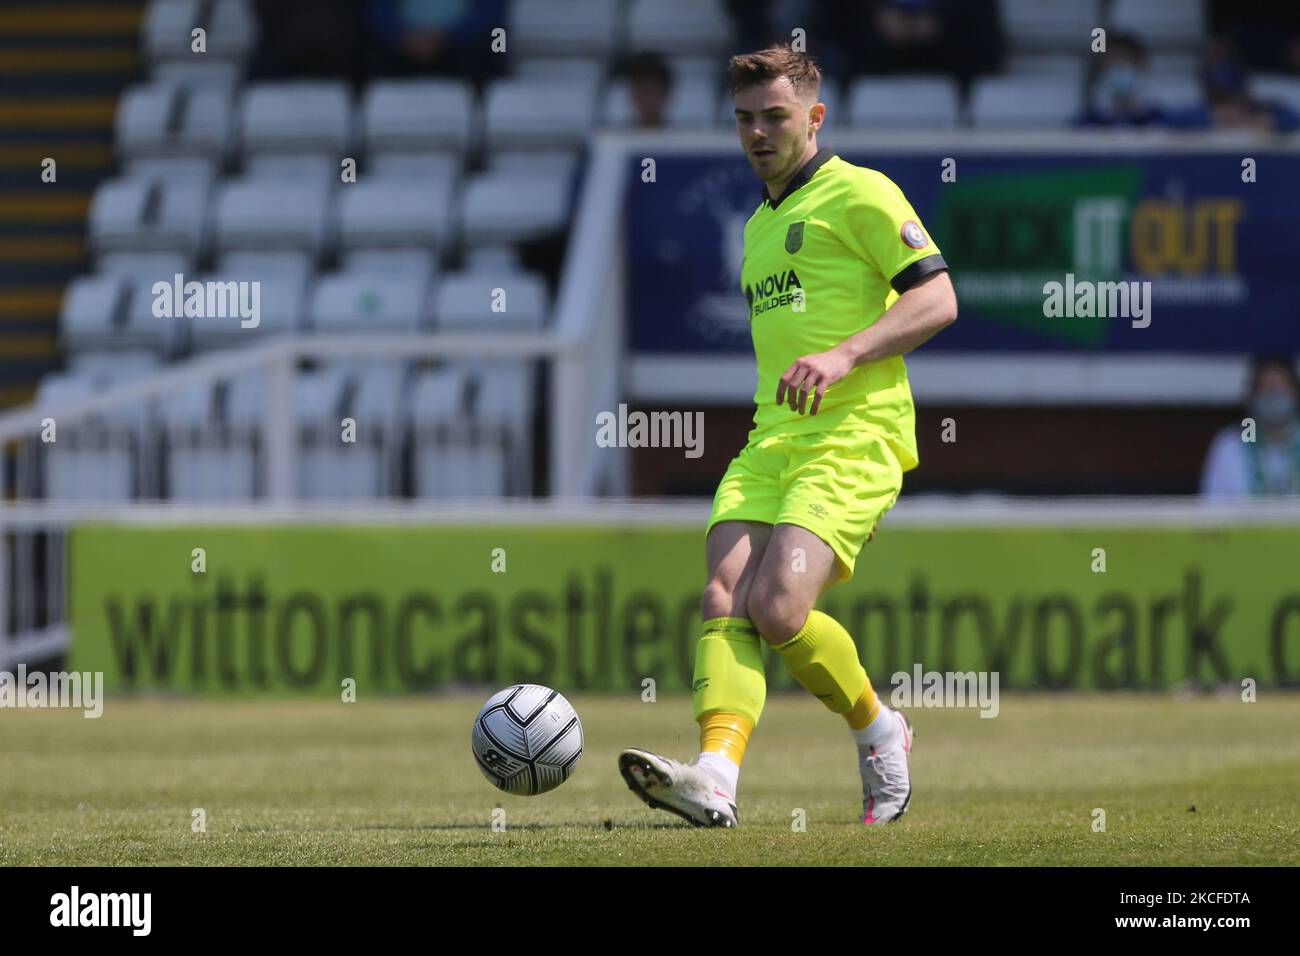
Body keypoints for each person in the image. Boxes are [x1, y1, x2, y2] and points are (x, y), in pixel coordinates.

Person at [618, 45, 957, 827]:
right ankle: (714, 776)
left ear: (815, 116)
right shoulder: (758, 227)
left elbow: (938, 299)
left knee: (777, 607)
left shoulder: (860, 192)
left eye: (775, 116)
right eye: (744, 118)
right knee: (722, 595)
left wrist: (844, 355)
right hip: (773, 440)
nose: (758, 132)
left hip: (855, 436)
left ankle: (880, 729)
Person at [1201, 356, 1300, 497]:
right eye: (1266, 389)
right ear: (1252, 396)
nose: (1273, 396)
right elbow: (1212, 508)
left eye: (1280, 388)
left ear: (1295, 395)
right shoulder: (1230, 445)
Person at [1077, 32, 1168, 128]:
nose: (1116, 67)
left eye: (1122, 59)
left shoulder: (1161, 121)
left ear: (1142, 65)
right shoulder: (1088, 122)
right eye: (1110, 62)